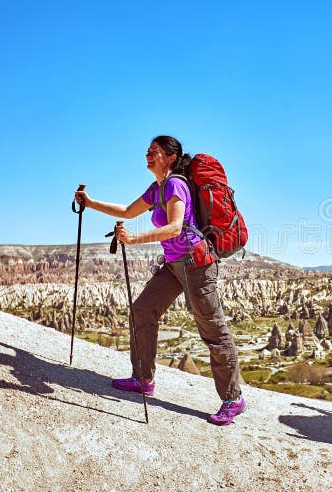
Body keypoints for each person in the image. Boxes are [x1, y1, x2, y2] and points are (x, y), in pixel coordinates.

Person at [74, 135, 245, 426]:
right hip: (174, 265)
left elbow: (175, 227)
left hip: (196, 264)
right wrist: (90, 204)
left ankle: (233, 398)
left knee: (212, 329)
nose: (147, 156)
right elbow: (128, 212)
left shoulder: (176, 184)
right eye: (147, 152)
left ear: (168, 156)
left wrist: (135, 238)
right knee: (142, 310)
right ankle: (143, 379)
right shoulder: (157, 189)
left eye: (153, 152)